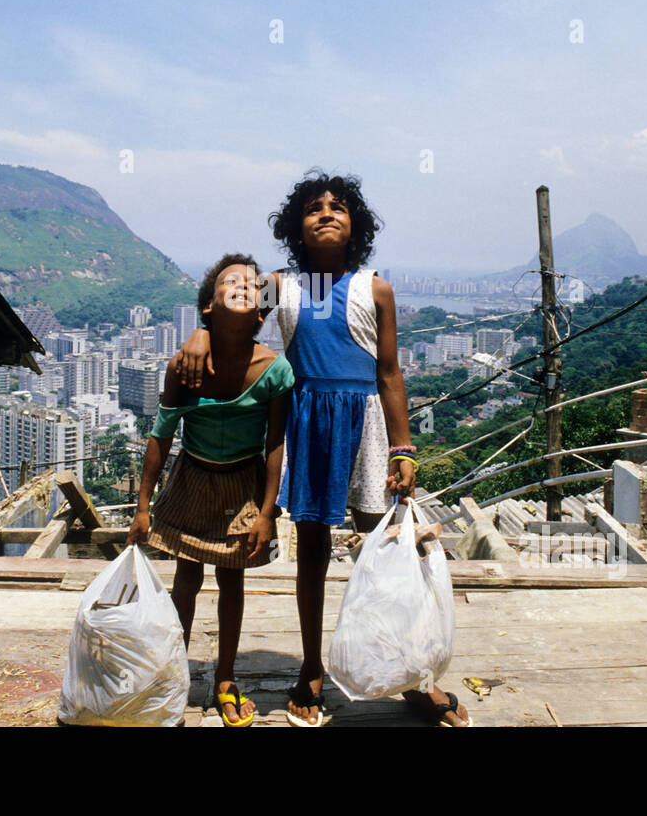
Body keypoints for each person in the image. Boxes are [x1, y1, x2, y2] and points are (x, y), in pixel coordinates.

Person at [172, 171, 470, 727]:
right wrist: (200, 333)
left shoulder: (374, 287)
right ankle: (311, 667)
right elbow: (227, 313)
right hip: (305, 421)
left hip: (366, 427)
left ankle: (414, 675)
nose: (326, 213)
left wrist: (404, 449)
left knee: (389, 545)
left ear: (355, 223)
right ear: (296, 226)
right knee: (311, 548)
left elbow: (389, 373)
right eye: (314, 207)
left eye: (338, 206)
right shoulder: (280, 285)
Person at [127, 253, 293, 727]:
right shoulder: (183, 365)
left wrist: (267, 511)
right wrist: (143, 506)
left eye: (251, 285)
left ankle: (224, 676)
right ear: (206, 307)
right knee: (186, 577)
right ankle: (173, 667)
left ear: (262, 309)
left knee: (232, 579)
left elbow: (275, 442)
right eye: (230, 283)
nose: (244, 285)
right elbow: (161, 434)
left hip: (243, 480)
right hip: (191, 477)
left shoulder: (274, 369)